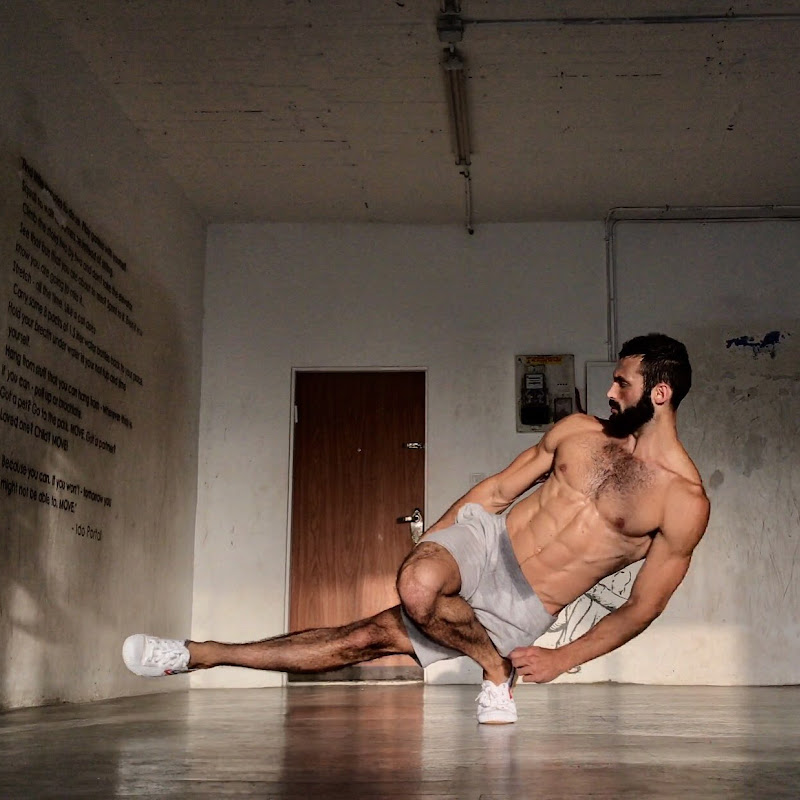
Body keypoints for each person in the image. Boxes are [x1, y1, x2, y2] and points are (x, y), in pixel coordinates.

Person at [123, 333, 710, 725]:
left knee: (362, 640)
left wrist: (564, 658)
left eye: (622, 383)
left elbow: (642, 607)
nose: (609, 391)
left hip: (527, 603)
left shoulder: (683, 502)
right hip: (488, 543)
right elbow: (497, 492)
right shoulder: (579, 431)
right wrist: (436, 540)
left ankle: (195, 655)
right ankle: (495, 669)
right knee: (419, 583)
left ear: (659, 393)